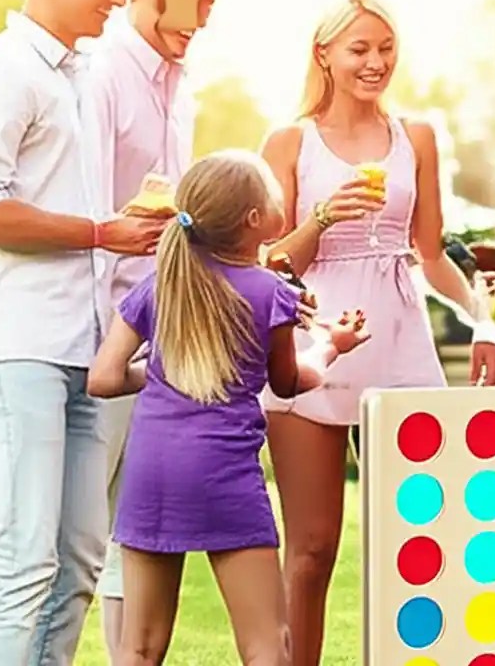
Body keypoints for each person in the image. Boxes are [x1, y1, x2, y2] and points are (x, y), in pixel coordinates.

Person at [0, 0, 172, 663]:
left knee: (76, 565)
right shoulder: (5, 69)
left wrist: (120, 227)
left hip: (82, 350)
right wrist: (101, 232)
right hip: (13, 348)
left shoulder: (76, 77)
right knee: (21, 558)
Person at [257, 0, 495, 665]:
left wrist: (483, 322)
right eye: (359, 49)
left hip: (400, 349)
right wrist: (324, 216)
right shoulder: (289, 142)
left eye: (386, 49)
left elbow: (431, 254)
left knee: (420, 545)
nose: (375, 62)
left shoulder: (415, 138)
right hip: (312, 349)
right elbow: (270, 262)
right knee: (310, 551)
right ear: (325, 56)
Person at [87, 150, 369, 665]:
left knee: (140, 647)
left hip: (153, 474)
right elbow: (286, 383)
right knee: (267, 645)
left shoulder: (161, 286)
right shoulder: (270, 293)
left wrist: (166, 371)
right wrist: (333, 347)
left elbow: (102, 379)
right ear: (255, 219)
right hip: (224, 477)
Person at [78, 0, 221, 661]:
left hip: (154, 338)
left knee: (131, 536)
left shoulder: (180, 88)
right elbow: (85, 215)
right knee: (60, 537)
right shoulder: (101, 75)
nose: (210, 5)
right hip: (95, 338)